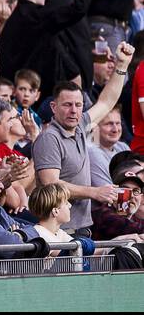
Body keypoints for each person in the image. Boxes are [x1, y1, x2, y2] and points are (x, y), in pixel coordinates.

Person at [33, 44, 132, 237]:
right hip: (59, 230)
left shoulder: (79, 126)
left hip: (80, 225)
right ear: (54, 107)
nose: (74, 110)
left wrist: (122, 64)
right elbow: (50, 183)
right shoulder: (49, 138)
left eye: (78, 105)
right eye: (67, 105)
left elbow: (106, 101)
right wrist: (94, 192)